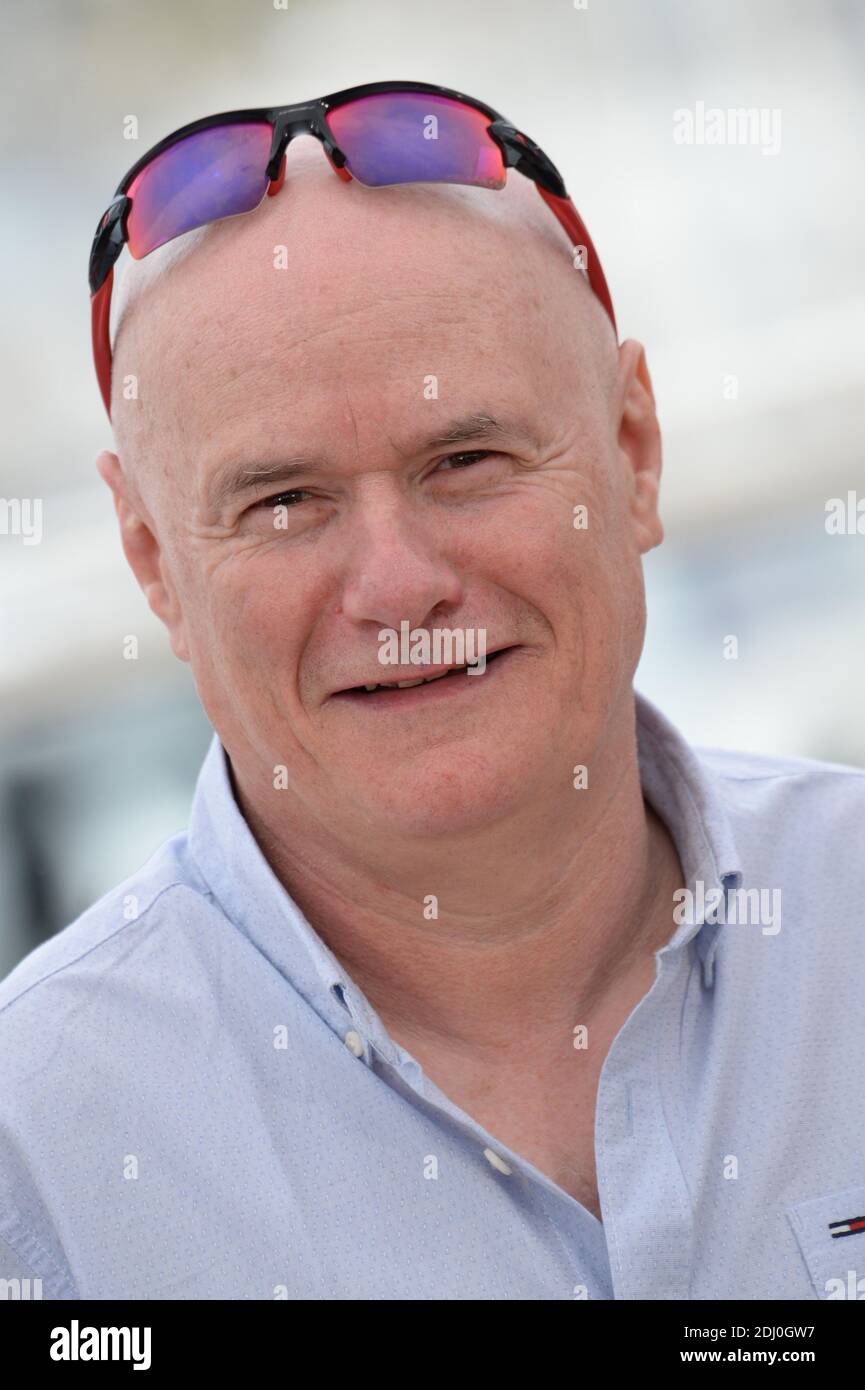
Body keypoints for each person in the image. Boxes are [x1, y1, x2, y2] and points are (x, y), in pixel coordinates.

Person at [1, 99, 863, 1303]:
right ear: (156, 567)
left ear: (633, 452)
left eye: (465, 461)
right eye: (284, 502)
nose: (398, 583)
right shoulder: (34, 1162)